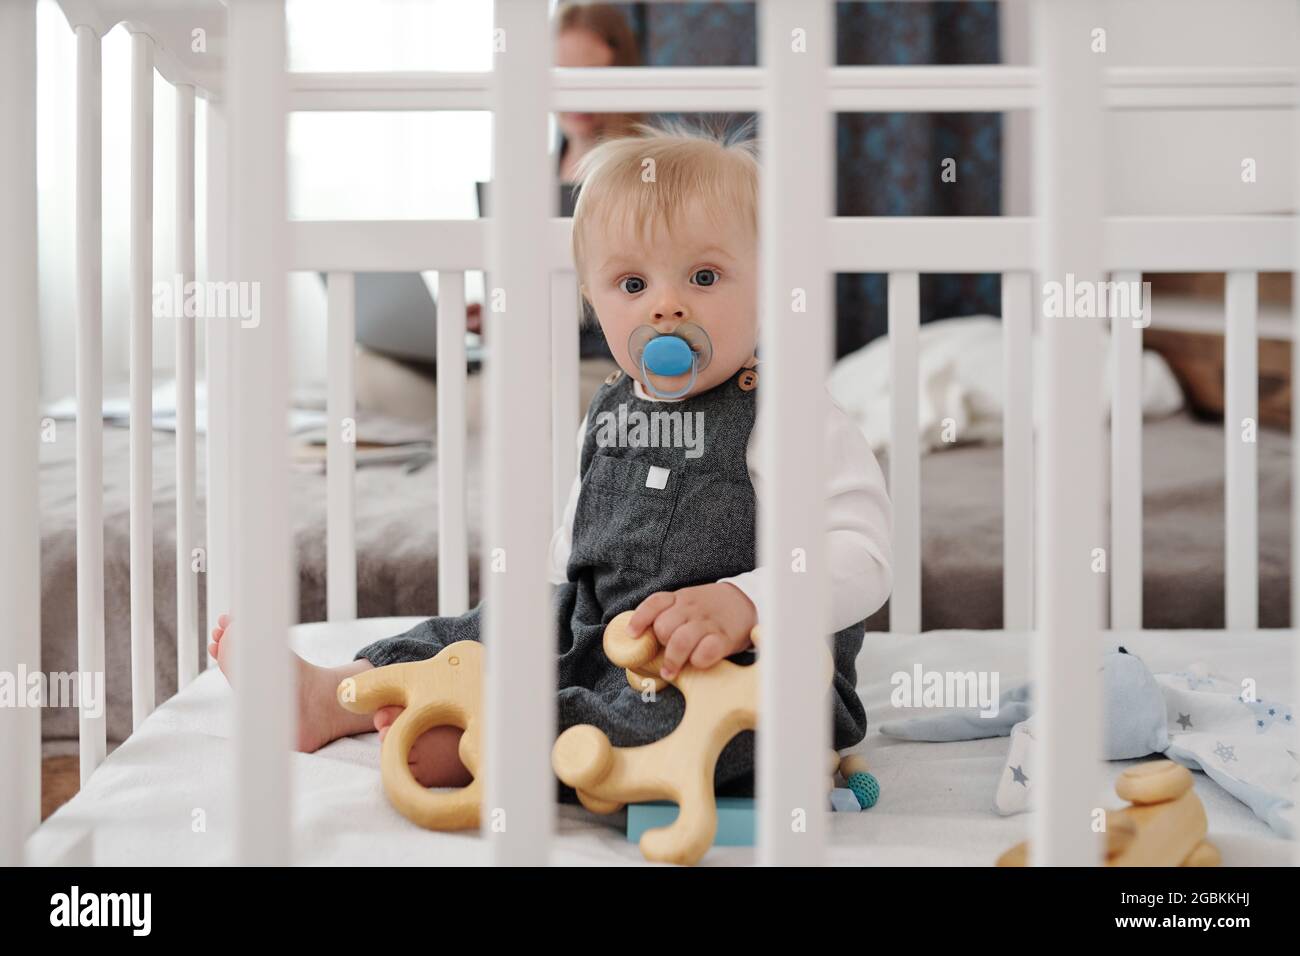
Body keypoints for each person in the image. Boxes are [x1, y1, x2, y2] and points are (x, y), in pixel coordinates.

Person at [211, 124, 893, 801]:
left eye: (704, 276)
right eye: (631, 283)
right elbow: (574, 540)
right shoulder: (608, 408)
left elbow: (863, 556)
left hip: (738, 666)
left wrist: (745, 601)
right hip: (600, 631)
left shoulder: (789, 413)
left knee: (708, 724)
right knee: (486, 626)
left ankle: (495, 740)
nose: (666, 305)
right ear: (594, 303)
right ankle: (339, 694)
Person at [355, 2, 643, 424]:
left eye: (592, 77)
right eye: (562, 76)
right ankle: (458, 427)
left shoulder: (642, 173)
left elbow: (642, 297)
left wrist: (528, 317)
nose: (577, 95)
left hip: (590, 364)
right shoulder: (530, 174)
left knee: (485, 399)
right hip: (516, 353)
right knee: (366, 370)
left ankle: (460, 428)